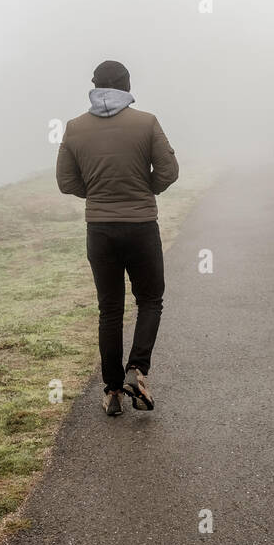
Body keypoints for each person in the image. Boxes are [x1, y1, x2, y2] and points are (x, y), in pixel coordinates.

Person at [56, 60, 179, 417]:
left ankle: (112, 391)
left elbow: (66, 182)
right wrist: (144, 189)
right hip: (141, 226)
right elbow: (169, 170)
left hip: (100, 229)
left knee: (109, 309)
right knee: (150, 300)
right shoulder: (146, 122)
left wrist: (97, 194)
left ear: (94, 87)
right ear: (127, 86)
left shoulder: (74, 128)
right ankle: (136, 370)